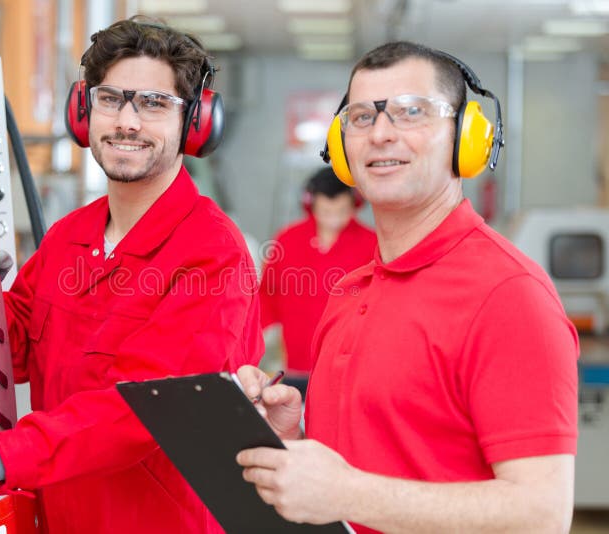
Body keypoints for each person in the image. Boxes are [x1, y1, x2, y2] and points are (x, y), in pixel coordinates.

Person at [0, 17, 263, 533]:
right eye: (111, 99)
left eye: (153, 103)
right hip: (59, 519)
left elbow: (149, 409)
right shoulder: (69, 237)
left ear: (193, 122)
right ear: (84, 111)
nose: (128, 121)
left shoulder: (211, 254)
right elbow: (7, 351)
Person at [235, 41, 578, 533]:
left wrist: (348, 493)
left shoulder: (507, 294)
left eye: (410, 113)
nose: (380, 134)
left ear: (465, 138)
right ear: (341, 146)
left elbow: (540, 516)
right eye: (359, 117)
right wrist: (294, 439)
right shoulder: (352, 290)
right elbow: (376, 465)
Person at [259, 167, 375, 396]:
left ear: (355, 204)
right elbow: (266, 295)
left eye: (341, 211)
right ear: (311, 204)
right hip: (294, 363)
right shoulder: (288, 239)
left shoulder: (372, 243)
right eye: (325, 211)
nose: (333, 218)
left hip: (348, 367)